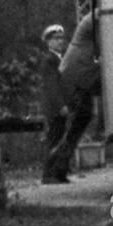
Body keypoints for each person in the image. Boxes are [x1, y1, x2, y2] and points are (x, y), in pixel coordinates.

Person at [46, 0, 100, 182]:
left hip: (82, 78)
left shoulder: (93, 18)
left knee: (78, 124)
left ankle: (58, 169)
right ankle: (53, 169)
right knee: (72, 127)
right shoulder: (96, 18)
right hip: (76, 78)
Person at [38, 24, 70, 184]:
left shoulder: (60, 58)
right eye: (56, 39)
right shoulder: (49, 60)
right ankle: (48, 174)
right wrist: (61, 105)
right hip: (54, 107)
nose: (60, 42)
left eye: (61, 38)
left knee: (60, 138)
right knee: (54, 139)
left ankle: (58, 173)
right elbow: (52, 86)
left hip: (60, 105)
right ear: (48, 42)